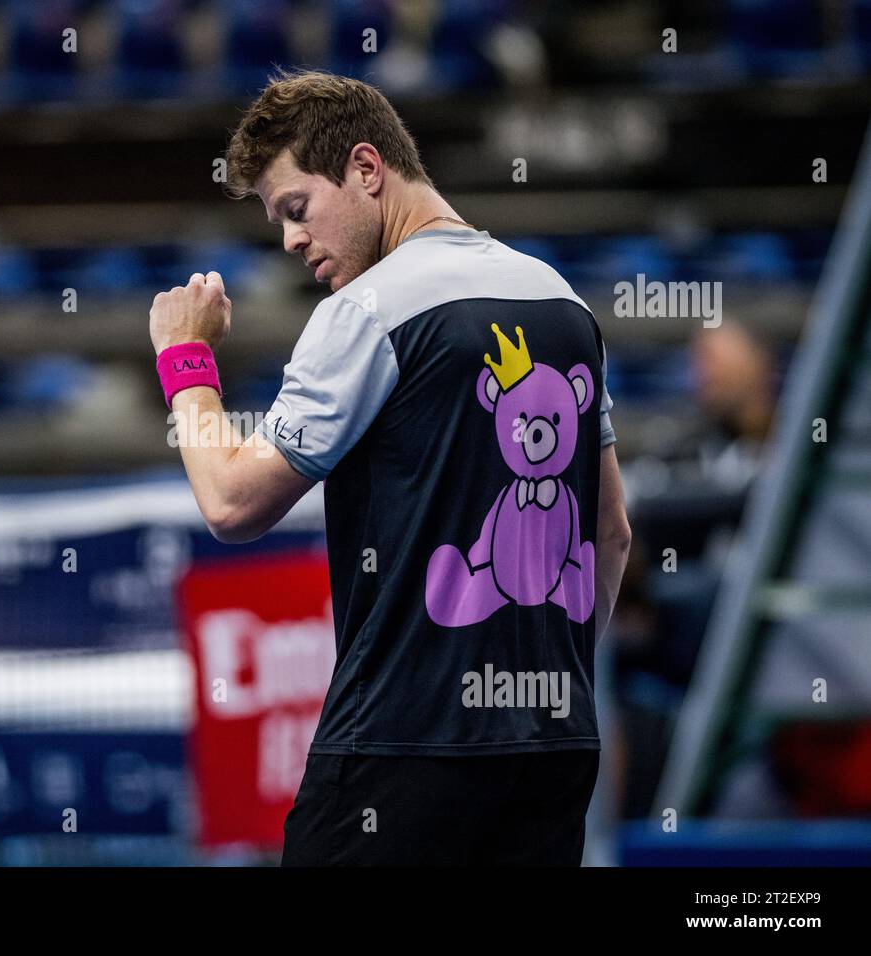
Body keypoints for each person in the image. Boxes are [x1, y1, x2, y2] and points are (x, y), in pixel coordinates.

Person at [148, 69, 632, 865]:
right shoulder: (561, 303)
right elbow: (610, 535)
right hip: (553, 747)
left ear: (367, 170)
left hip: (403, 748)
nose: (291, 241)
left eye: (297, 210)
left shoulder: (367, 313)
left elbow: (233, 502)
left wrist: (187, 359)